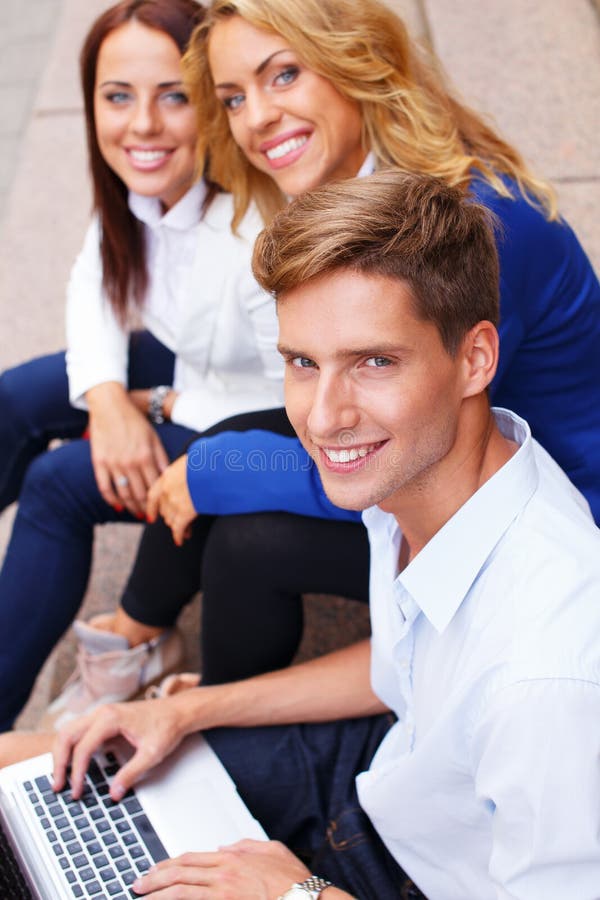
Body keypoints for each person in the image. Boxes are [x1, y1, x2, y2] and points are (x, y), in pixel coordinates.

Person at [12, 170, 600, 898]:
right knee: (24, 767)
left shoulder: (549, 678)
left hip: (412, 878)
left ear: (476, 358)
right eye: (302, 363)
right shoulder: (437, 482)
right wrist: (182, 709)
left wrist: (298, 896)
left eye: (374, 362)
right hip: (387, 782)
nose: (323, 418)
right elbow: (405, 669)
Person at [54, 0, 600, 710]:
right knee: (192, 435)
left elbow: (407, 461)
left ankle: (219, 732)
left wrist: (218, 474)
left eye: (283, 75)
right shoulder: (349, 186)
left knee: (249, 540)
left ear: (355, 60)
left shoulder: (475, 230)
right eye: (232, 98)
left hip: (547, 511)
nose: (255, 118)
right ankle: (152, 657)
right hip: (442, 441)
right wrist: (207, 449)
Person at [0, 0, 285, 733]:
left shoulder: (255, 231)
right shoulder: (139, 187)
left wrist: (156, 408)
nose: (142, 126)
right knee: (19, 397)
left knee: (59, 485)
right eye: (117, 96)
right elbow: (91, 284)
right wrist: (105, 399)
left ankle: (91, 663)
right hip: (202, 363)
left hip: (264, 417)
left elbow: (293, 404)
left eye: (174, 97)